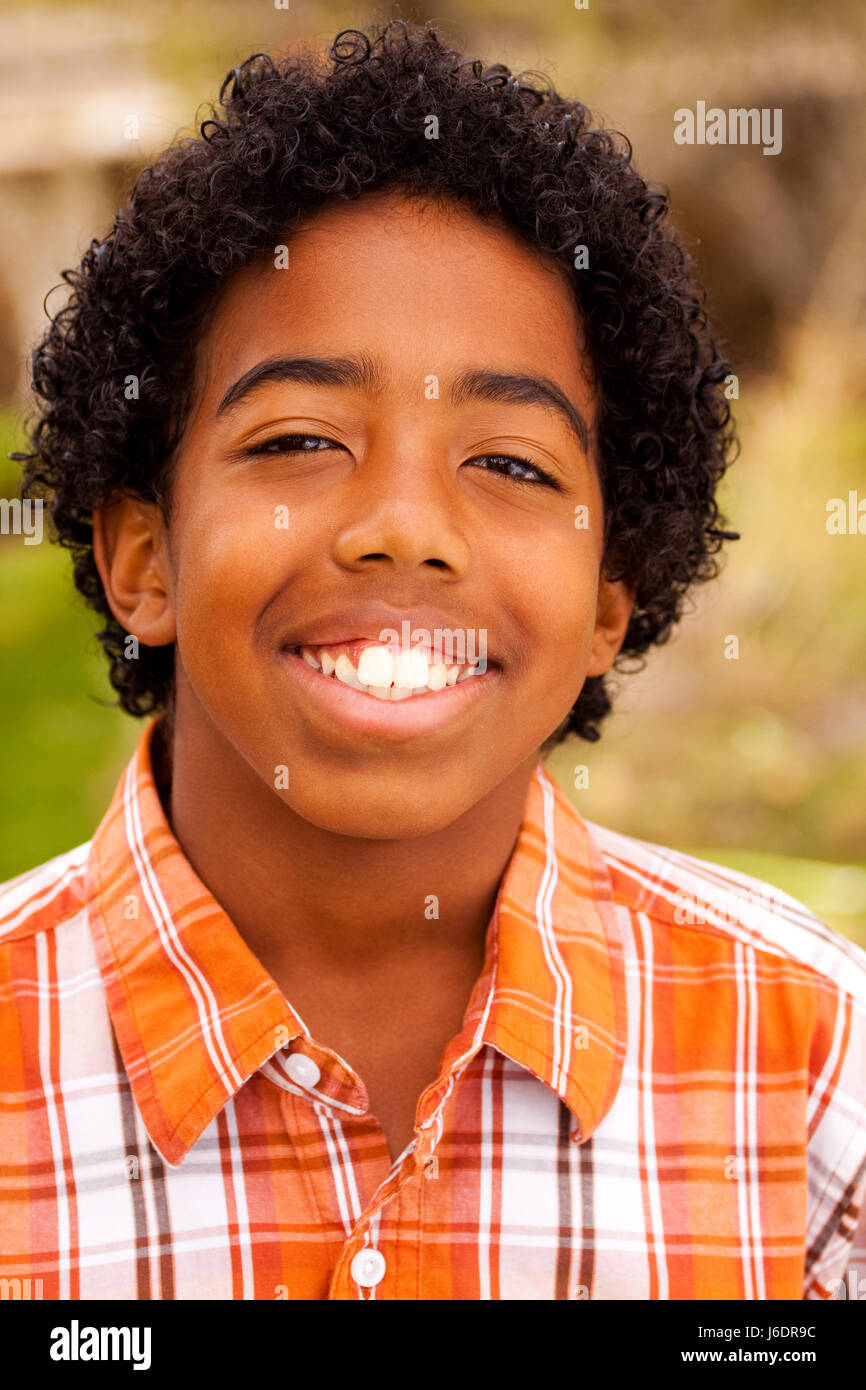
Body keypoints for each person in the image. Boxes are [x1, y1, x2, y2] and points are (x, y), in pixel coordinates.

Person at [2, 19, 863, 1301]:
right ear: (145, 558)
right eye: (297, 440)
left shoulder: (812, 1071)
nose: (405, 525)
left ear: (604, 606)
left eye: (510, 465)